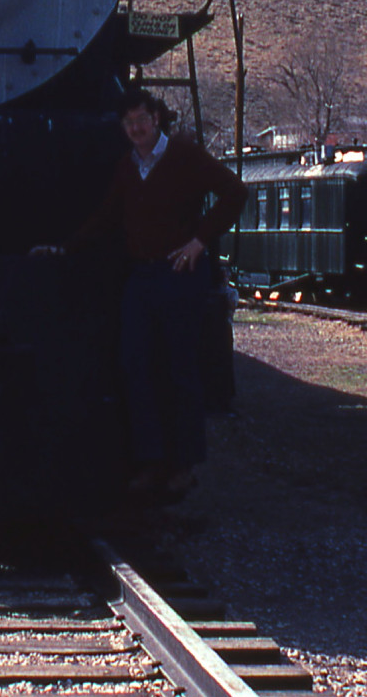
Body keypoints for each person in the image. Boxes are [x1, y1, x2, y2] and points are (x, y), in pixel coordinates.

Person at [61, 86, 247, 498]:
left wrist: (200, 240)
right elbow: (107, 216)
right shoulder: (128, 167)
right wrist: (65, 247)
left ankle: (183, 465)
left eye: (141, 120)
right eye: (128, 124)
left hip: (180, 274)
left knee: (179, 369)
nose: (136, 129)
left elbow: (236, 192)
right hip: (142, 277)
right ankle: (150, 462)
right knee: (136, 367)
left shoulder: (184, 155)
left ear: (156, 118)